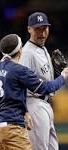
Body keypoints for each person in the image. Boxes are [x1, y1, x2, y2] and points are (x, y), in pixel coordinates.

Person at [0, 34, 68, 150]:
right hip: (13, 126)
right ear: (20, 50)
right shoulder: (19, 70)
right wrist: (62, 77)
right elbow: (45, 88)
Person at [19, 12, 59, 150]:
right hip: (33, 104)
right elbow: (20, 82)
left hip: (45, 104)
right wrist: (24, 110)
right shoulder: (27, 52)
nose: (42, 32)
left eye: (44, 28)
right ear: (29, 29)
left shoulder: (42, 48)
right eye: (38, 29)